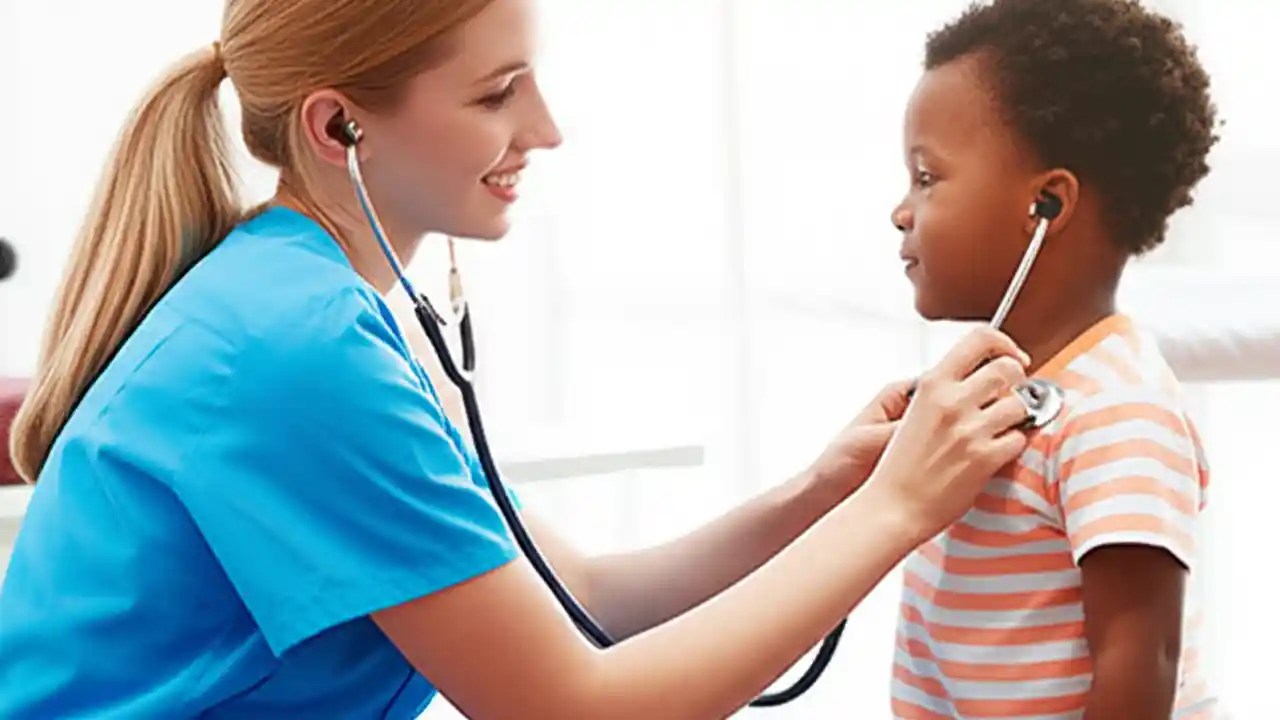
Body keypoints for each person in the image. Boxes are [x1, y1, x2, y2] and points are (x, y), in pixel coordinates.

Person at [0, 1, 1035, 717]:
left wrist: (824, 492)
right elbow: (573, 708)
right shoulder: (293, 346)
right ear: (338, 125)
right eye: (497, 95)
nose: (546, 128)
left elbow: (578, 592)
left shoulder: (308, 303)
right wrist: (898, 508)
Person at [887, 0, 1219, 717]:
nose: (901, 212)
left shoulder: (1119, 410)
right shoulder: (986, 395)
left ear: (1046, 204)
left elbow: (1141, 659)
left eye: (927, 177)